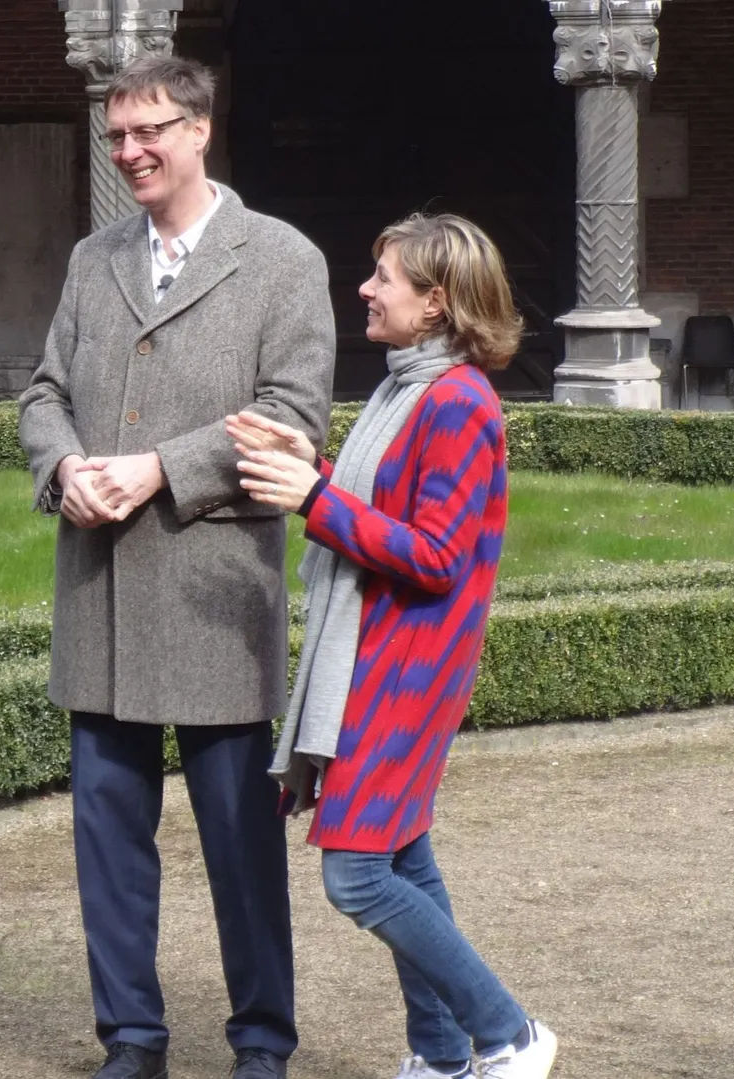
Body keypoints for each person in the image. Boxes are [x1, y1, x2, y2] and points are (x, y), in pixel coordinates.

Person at [17, 55, 336, 1079]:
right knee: (109, 845)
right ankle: (133, 1040)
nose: (130, 152)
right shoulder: (91, 257)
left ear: (200, 130)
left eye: (149, 130)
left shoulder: (282, 261)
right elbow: (42, 392)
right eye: (117, 136)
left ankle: (261, 1043)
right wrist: (63, 464)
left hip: (213, 597)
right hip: (100, 591)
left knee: (241, 849)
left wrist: (158, 467)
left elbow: (292, 421)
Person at [229, 214, 555, 1079]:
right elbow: (393, 512)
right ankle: (444, 1056)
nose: (367, 289)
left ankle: (510, 1033)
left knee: (357, 874)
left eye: (385, 277)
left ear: (437, 302)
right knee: (403, 854)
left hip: (409, 667)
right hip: (380, 658)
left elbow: (437, 556)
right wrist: (320, 470)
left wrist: (313, 498)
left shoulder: (457, 401)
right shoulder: (406, 387)